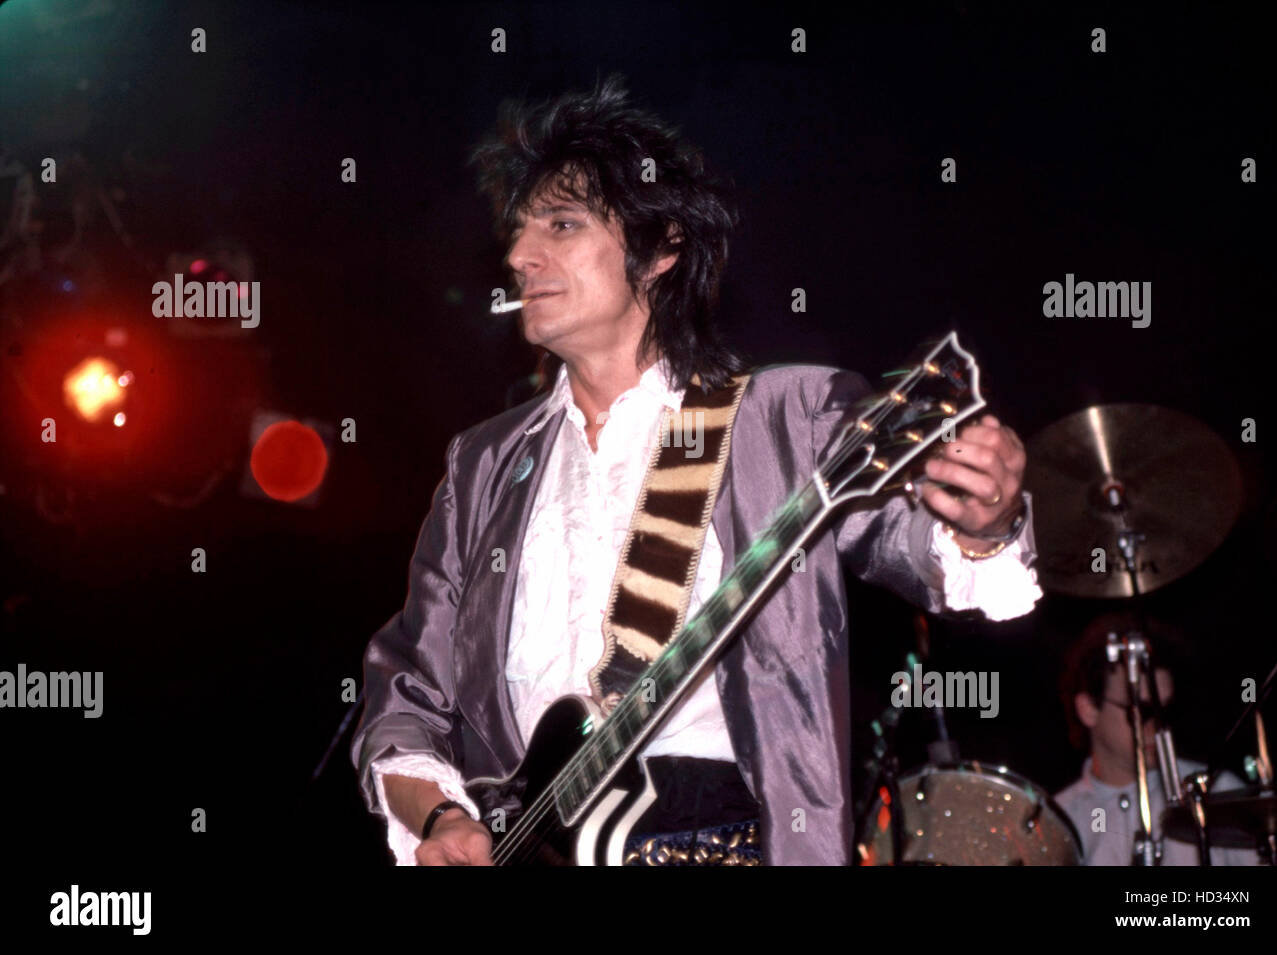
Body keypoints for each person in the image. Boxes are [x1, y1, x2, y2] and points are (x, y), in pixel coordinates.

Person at [349, 75, 1043, 865]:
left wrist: (986, 525)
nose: (517, 256)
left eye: (561, 224)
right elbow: (407, 693)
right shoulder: (482, 464)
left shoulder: (783, 418)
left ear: (661, 248)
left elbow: (913, 546)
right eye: (517, 230)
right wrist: (443, 816)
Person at [1055, 612, 1277, 865]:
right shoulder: (1058, 821)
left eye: (1163, 710)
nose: (1156, 726)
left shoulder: (1217, 792)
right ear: (1088, 709)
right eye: (1144, 710)